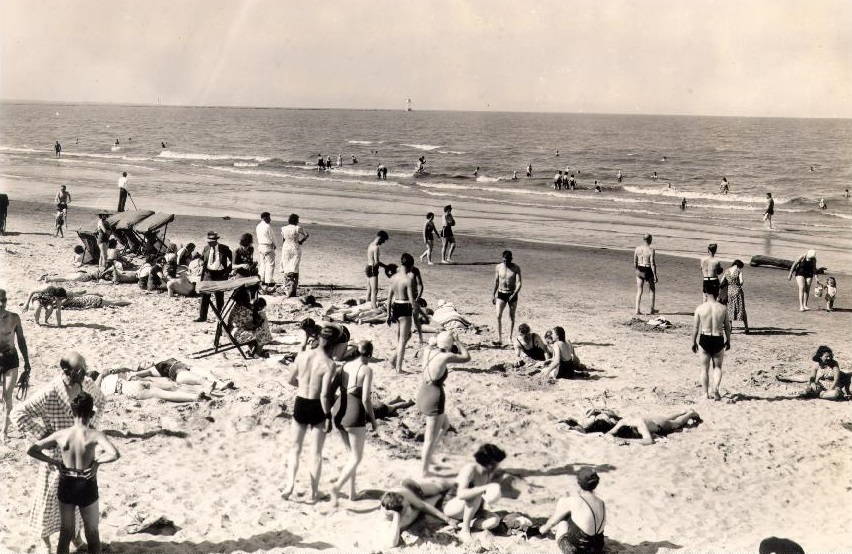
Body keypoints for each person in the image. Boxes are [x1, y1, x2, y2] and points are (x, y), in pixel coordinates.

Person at [12, 352, 106, 554]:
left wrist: (91, 428)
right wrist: (44, 435)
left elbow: (102, 400)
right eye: (81, 369)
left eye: (85, 367)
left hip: (81, 458)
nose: (85, 372)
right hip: (56, 458)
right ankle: (45, 543)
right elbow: (17, 413)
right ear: (66, 371)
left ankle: (77, 538)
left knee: (80, 509)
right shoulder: (50, 393)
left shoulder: (88, 384)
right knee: (49, 504)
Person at [26, 393, 119, 554]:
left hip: (66, 482)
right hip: (86, 482)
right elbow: (114, 454)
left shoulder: (61, 434)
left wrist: (54, 462)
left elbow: (32, 450)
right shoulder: (95, 435)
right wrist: (97, 463)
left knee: (66, 531)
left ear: (71, 413)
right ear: (92, 414)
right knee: (92, 531)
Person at [282, 325, 339, 502]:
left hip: (301, 402)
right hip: (317, 406)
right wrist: (328, 416)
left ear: (319, 338)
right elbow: (323, 394)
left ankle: (289, 486)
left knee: (295, 449)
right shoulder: (329, 364)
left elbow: (290, 379)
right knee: (316, 453)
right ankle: (314, 493)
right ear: (333, 344)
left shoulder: (302, 355)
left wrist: (302, 387)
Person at [330, 340, 377, 507]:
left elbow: (332, 389)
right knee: (356, 457)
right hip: (353, 413)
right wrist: (373, 420)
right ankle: (337, 487)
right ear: (370, 355)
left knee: (351, 455)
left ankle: (352, 493)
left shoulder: (345, 366)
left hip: (338, 410)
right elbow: (365, 399)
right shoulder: (367, 370)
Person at [418, 331, 470, 477]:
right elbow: (466, 357)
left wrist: (438, 339)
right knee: (429, 439)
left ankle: (430, 458)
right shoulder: (445, 356)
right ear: (449, 345)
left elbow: (431, 342)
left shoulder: (428, 350)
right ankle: (424, 471)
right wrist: (459, 342)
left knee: (445, 426)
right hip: (434, 397)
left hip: (422, 392)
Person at [442, 444, 506, 542]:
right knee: (475, 494)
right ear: (489, 462)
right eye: (496, 462)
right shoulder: (470, 469)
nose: (497, 465)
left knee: (494, 521)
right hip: (452, 506)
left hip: (470, 509)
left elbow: (484, 496)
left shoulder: (487, 473)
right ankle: (465, 530)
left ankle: (462, 524)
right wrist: (484, 488)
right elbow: (461, 494)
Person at [537, 468, 606, 554]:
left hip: (577, 549)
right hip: (597, 548)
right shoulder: (601, 502)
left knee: (564, 516)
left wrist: (541, 530)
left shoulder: (574, 500)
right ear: (596, 483)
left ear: (579, 482)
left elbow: (552, 523)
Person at [380, 478, 458, 547]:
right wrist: (396, 516)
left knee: (441, 487)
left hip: (412, 489)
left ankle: (457, 481)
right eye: (406, 505)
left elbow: (422, 506)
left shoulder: (401, 494)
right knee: (438, 497)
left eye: (407, 502)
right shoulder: (387, 518)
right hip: (418, 512)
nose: (408, 503)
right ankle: (440, 496)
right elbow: (392, 543)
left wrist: (447, 519)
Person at [691, 281, 731, 401]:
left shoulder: (700, 308)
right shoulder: (723, 308)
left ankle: (705, 393)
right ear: (717, 292)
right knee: (717, 367)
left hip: (705, 337)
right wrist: (728, 340)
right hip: (718, 337)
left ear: (705, 292)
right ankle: (716, 390)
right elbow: (727, 327)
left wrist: (693, 342)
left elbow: (695, 328)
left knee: (704, 368)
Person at [0, 289, 32, 443]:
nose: (1, 303)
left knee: (7, 396)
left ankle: (4, 432)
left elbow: (21, 341)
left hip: (10, 359)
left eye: (4, 300)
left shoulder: (14, 318)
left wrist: (27, 362)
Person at [92, 366, 214, 403]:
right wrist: (103, 374)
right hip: (131, 384)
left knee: (163, 393)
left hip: (128, 388)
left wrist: (102, 375)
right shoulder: (106, 378)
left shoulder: (102, 385)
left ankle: (195, 396)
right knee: (169, 388)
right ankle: (198, 392)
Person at [387, 254, 417, 373]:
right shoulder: (408, 279)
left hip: (395, 306)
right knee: (403, 339)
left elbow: (389, 298)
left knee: (403, 337)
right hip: (405, 307)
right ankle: (398, 368)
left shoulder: (393, 278)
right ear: (410, 265)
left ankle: (393, 359)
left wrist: (389, 315)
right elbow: (411, 298)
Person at [194, 231, 232, 323]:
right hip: (208, 275)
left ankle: (220, 316)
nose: (208, 243)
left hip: (220, 275)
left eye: (210, 241)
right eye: (207, 241)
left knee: (219, 297)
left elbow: (233, 261)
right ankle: (202, 317)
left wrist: (228, 271)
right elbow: (202, 258)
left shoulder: (225, 248)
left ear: (215, 241)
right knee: (205, 296)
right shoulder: (206, 248)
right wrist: (199, 261)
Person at [604, 410, 702, 445]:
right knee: (666, 417)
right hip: (651, 417)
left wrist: (625, 439)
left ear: (632, 428)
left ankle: (690, 413)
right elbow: (608, 434)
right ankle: (682, 411)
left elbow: (648, 441)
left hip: (659, 424)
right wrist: (613, 439)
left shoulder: (639, 424)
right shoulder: (622, 422)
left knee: (676, 423)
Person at [229, 293, 272, 358]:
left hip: (234, 332)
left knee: (260, 327)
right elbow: (250, 326)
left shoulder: (237, 307)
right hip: (239, 335)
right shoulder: (244, 310)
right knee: (264, 332)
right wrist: (261, 321)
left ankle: (253, 349)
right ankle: (258, 353)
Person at [492, 250, 521, 345]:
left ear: (511, 259)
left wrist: (514, 294)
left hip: (512, 293)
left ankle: (509, 338)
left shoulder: (516, 268)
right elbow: (496, 281)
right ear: (502, 259)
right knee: (498, 315)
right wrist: (493, 294)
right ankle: (499, 339)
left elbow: (519, 283)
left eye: (507, 261)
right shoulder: (498, 267)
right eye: (504, 260)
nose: (506, 262)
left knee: (511, 317)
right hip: (501, 293)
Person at [281, 213, 309, 297]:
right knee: (295, 266)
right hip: (294, 247)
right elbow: (307, 234)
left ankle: (287, 286)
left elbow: (283, 240)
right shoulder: (297, 228)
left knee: (286, 265)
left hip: (286, 247)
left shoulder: (283, 228)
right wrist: (301, 241)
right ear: (296, 220)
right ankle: (293, 288)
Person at [721, 260, 749, 333]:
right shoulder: (739, 271)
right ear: (739, 265)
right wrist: (737, 282)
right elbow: (741, 282)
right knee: (741, 309)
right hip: (737, 291)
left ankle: (730, 328)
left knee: (730, 308)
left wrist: (729, 282)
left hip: (729, 291)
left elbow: (721, 281)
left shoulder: (727, 271)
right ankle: (746, 328)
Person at [634, 233, 658, 315]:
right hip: (647, 269)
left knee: (639, 290)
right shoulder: (651, 250)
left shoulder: (637, 249)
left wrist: (636, 270)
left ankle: (637, 310)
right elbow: (652, 264)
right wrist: (655, 275)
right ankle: (651, 309)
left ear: (643, 239)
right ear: (650, 240)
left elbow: (635, 262)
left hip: (639, 268)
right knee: (652, 290)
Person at [365, 231, 389, 308]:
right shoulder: (376, 247)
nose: (383, 243)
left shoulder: (370, 244)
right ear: (380, 238)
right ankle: (374, 307)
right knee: (374, 291)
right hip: (372, 268)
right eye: (383, 240)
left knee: (369, 289)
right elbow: (376, 262)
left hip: (368, 267)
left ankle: (367, 303)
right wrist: (386, 266)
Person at [255, 213, 276, 289]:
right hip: (267, 246)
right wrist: (275, 244)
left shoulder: (258, 226)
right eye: (269, 217)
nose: (270, 219)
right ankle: (269, 281)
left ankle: (262, 279)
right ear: (265, 218)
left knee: (262, 264)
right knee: (270, 264)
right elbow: (272, 237)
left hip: (260, 246)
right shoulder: (268, 226)